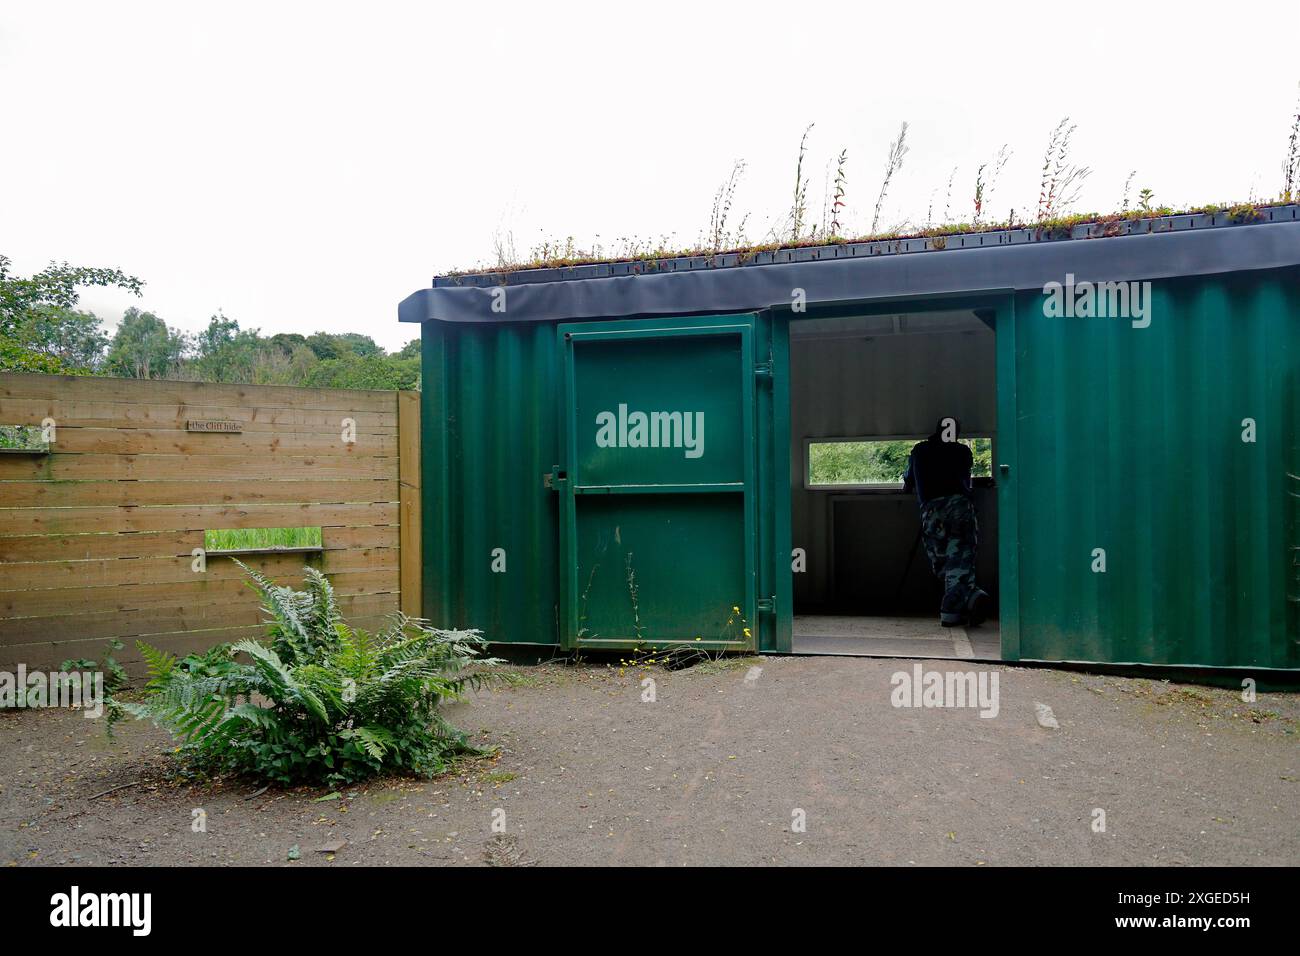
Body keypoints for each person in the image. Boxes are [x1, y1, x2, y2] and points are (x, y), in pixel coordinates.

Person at [901, 417, 991, 627]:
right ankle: (956, 605)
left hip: (931, 510)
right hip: (959, 507)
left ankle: (966, 599)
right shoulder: (962, 452)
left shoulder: (919, 451)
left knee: (941, 560)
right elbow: (964, 478)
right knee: (961, 557)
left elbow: (909, 480)